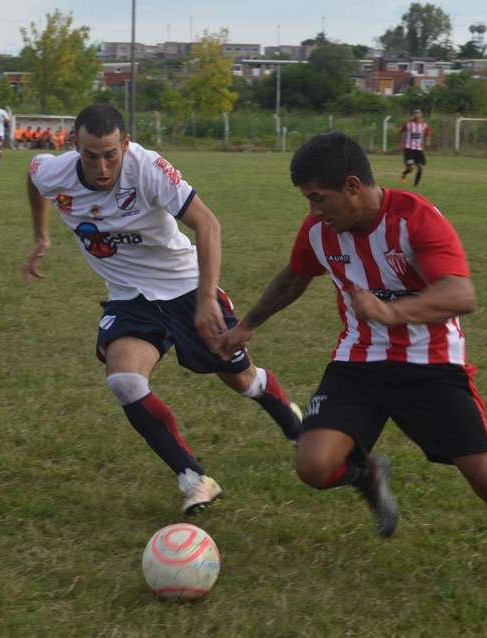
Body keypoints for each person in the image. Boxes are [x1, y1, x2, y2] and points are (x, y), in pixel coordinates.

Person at [215, 133, 487, 600]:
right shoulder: (319, 231)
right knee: (314, 466)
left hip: (432, 365)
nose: (314, 212)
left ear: (353, 185)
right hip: (359, 363)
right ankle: (369, 474)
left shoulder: (415, 219)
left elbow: (462, 294)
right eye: (308, 201)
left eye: (319, 199)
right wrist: (247, 326)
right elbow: (295, 276)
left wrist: (392, 312)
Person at [21, 104, 302, 515]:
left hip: (184, 285)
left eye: (111, 154)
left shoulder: (148, 168)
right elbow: (33, 178)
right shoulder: (54, 172)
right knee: (124, 382)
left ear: (126, 145)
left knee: (240, 380)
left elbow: (207, 224)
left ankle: (290, 418)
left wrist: (206, 298)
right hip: (129, 297)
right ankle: (193, 477)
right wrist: (41, 236)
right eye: (90, 155)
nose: (101, 166)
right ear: (73, 146)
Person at [399, 108, 430, 187]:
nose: (416, 114)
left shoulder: (424, 125)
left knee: (420, 167)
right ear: (413, 115)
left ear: (421, 114)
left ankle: (416, 185)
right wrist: (402, 143)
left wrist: (427, 142)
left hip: (418, 149)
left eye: (418, 113)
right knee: (410, 168)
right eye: (415, 113)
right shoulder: (408, 124)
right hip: (409, 148)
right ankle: (404, 174)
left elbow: (427, 135)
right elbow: (402, 132)